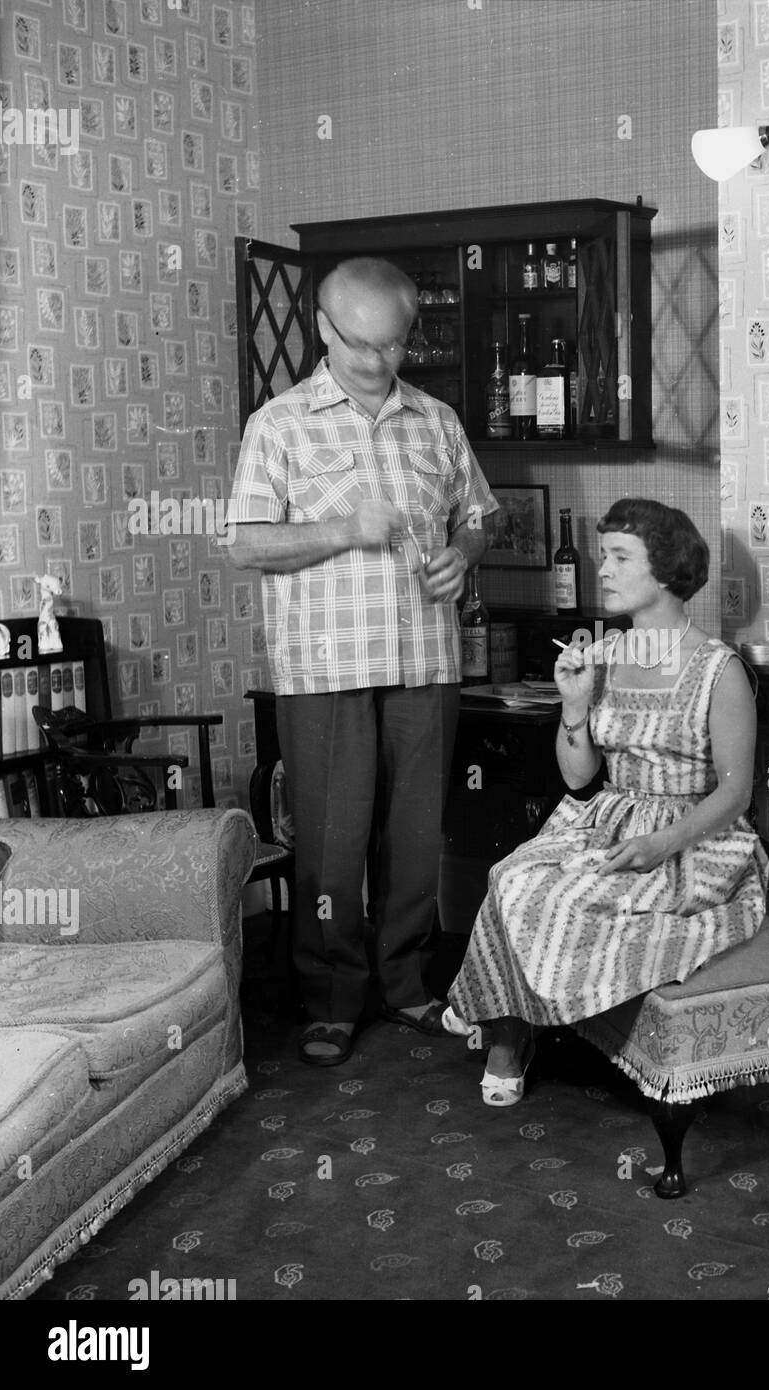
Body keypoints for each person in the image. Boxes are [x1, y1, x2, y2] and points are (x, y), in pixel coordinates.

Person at [227, 256, 497, 1066]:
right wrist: (342, 529)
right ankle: (332, 999)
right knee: (333, 846)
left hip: (424, 660)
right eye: (359, 344)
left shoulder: (439, 422)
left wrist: (462, 552)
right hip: (325, 669)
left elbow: (478, 516)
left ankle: (407, 986)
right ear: (323, 328)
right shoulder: (279, 424)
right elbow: (244, 545)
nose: (377, 361)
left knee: (416, 841)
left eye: (393, 345)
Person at [446, 499, 767, 1105]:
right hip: (612, 818)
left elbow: (736, 791)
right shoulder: (609, 656)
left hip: (692, 842)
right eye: (603, 556)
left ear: (668, 569)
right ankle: (504, 1023)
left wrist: (659, 844)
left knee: (564, 896)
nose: (603, 571)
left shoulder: (718, 670)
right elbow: (578, 777)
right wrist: (573, 705)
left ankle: (504, 1036)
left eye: (621, 557)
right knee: (511, 875)